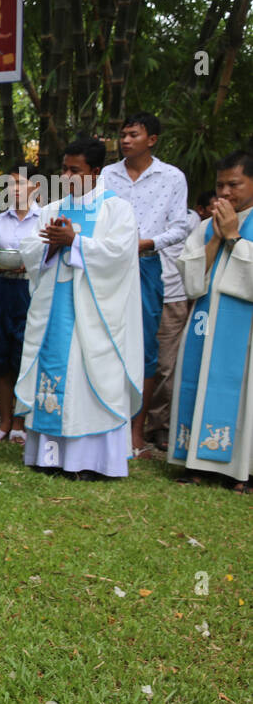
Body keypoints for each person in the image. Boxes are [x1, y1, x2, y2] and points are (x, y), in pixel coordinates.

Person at [15, 137, 142, 479]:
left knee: (89, 381)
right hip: (55, 310)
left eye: (75, 170)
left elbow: (120, 256)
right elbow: (31, 249)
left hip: (96, 314)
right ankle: (51, 457)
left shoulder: (118, 209)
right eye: (64, 169)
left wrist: (76, 242)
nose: (67, 175)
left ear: (96, 171)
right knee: (55, 375)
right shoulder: (53, 209)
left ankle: (93, 461)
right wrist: (51, 248)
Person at [100, 113, 192, 457]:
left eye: (133, 135)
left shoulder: (171, 177)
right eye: (122, 134)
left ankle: (137, 430)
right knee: (107, 341)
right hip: (108, 265)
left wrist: (146, 243)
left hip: (147, 264)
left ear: (151, 139)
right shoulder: (107, 175)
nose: (125, 140)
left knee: (145, 348)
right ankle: (109, 425)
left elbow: (181, 226)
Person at [169, 151, 253, 492]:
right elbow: (191, 280)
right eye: (220, 185)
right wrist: (217, 236)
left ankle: (242, 470)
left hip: (244, 334)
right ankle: (197, 463)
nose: (226, 192)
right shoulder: (206, 226)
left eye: (234, 184)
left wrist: (234, 236)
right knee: (198, 384)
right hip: (205, 323)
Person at [0, 165, 40, 443]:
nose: (14, 189)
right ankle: (4, 420)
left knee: (23, 353)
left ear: (36, 187)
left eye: (20, 184)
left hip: (30, 288)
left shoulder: (45, 219)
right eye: (10, 184)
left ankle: (20, 421)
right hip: (0, 288)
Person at [148, 192, 211, 444]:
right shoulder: (140, 211)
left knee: (165, 365)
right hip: (136, 289)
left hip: (172, 297)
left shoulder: (191, 220)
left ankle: (158, 424)